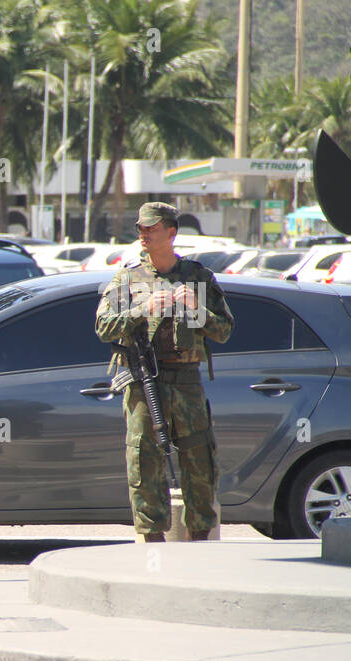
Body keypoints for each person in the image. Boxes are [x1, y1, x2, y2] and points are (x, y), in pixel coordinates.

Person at [95, 202, 234, 542]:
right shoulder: (128, 279)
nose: (143, 233)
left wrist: (196, 309)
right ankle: (152, 546)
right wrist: (143, 309)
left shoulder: (199, 278)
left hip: (187, 382)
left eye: (151, 228)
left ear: (171, 232)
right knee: (145, 463)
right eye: (141, 228)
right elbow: (103, 326)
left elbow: (224, 330)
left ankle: (200, 542)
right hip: (144, 384)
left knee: (200, 463)